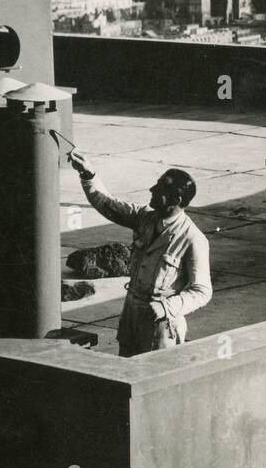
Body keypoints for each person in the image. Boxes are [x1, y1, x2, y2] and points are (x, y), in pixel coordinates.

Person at [69, 152, 212, 358]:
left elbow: (202, 291)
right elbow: (108, 204)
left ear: (176, 200)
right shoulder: (144, 217)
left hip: (161, 326)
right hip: (132, 317)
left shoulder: (193, 239)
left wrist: (166, 307)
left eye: (160, 188)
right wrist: (88, 175)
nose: (152, 190)